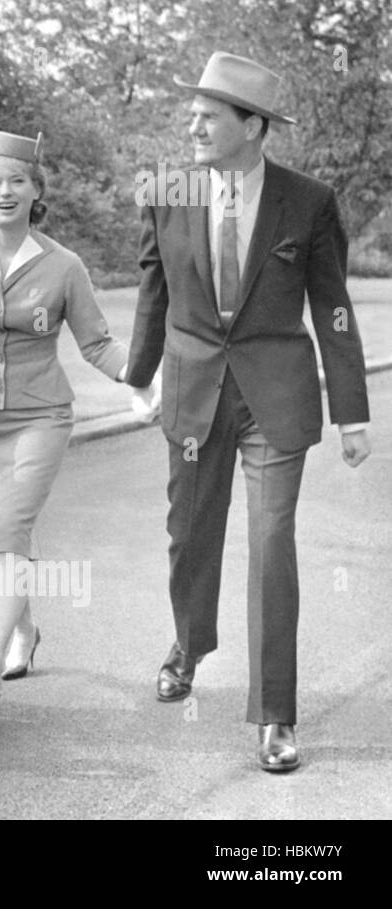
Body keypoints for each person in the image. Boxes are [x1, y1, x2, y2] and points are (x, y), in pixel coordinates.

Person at [128, 51, 371, 773]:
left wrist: (351, 410)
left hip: (276, 394)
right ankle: (190, 643)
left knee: (271, 544)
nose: (193, 123)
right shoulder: (166, 189)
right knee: (190, 536)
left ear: (253, 125)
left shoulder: (309, 201)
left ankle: (275, 714)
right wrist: (137, 377)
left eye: (209, 114)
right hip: (193, 389)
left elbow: (331, 306)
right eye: (193, 111)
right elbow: (152, 288)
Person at [0, 130, 136, 716]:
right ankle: (25, 630)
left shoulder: (64, 265)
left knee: (11, 527)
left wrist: (144, 375)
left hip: (41, 415)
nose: (5, 191)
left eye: (18, 181)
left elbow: (98, 344)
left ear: (37, 191)